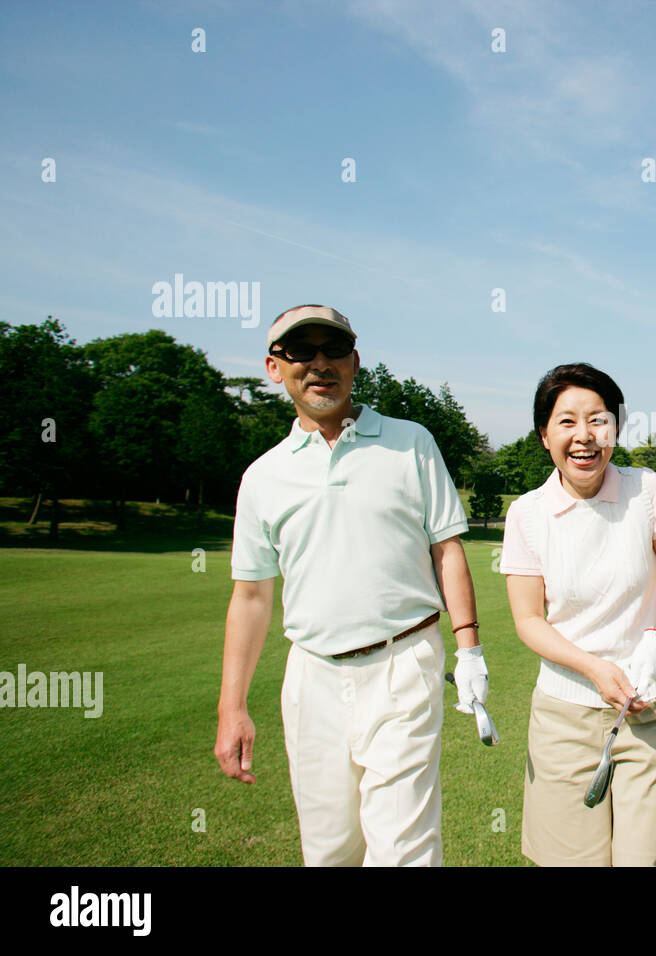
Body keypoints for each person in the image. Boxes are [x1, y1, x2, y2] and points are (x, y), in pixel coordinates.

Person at [214, 304, 489, 867]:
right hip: (311, 675)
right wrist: (231, 708)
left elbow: (448, 549)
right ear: (274, 367)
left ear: (355, 361)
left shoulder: (411, 442)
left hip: (404, 661)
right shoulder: (263, 476)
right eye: (300, 352)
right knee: (329, 850)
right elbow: (251, 597)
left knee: (402, 850)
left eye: (333, 350)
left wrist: (470, 650)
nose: (319, 364)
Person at [500, 363, 656, 866]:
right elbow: (528, 620)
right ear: (544, 434)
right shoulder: (526, 513)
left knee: (647, 859)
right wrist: (593, 668)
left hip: (650, 706)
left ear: (615, 428)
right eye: (566, 422)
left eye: (599, 420)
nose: (584, 436)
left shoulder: (646, 490)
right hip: (565, 714)